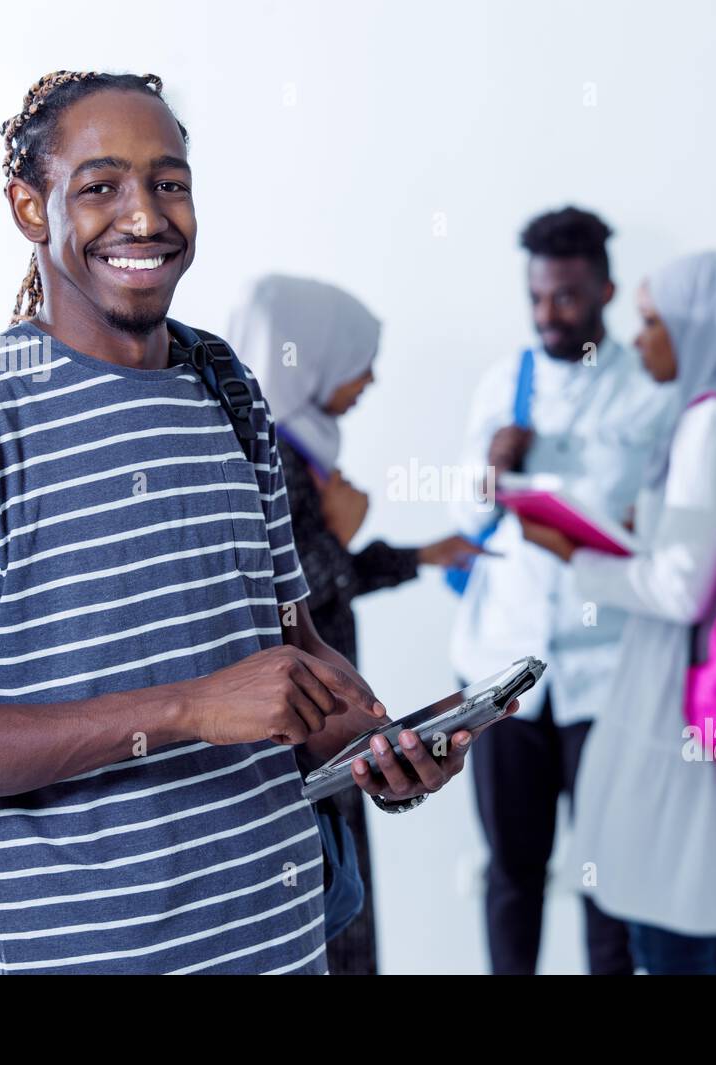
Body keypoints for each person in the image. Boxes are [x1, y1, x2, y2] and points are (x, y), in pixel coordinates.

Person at [0, 70, 509, 975]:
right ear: (28, 208)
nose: (144, 216)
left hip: (287, 945)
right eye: (100, 187)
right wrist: (190, 708)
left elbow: (292, 646)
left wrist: (377, 746)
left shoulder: (227, 386)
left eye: (169, 182)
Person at [519, 250, 716, 975]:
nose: (638, 340)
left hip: (682, 711)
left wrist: (576, 554)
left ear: (709, 326)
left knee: (671, 928)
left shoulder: (709, 423)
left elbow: (679, 590)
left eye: (652, 320)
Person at [230, 273, 483, 975]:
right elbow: (283, 595)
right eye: (357, 359)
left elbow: (323, 581)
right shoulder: (262, 454)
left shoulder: (300, 450)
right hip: (296, 736)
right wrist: (347, 532)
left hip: (329, 727)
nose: (368, 379)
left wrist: (418, 554)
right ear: (310, 352)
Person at [449, 206, 673, 975]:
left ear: (606, 290)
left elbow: (669, 529)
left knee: (609, 877)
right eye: (538, 296)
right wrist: (491, 464)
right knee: (511, 870)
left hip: (608, 676)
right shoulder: (501, 384)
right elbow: (464, 520)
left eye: (568, 297)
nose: (550, 314)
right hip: (502, 665)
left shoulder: (648, 390)